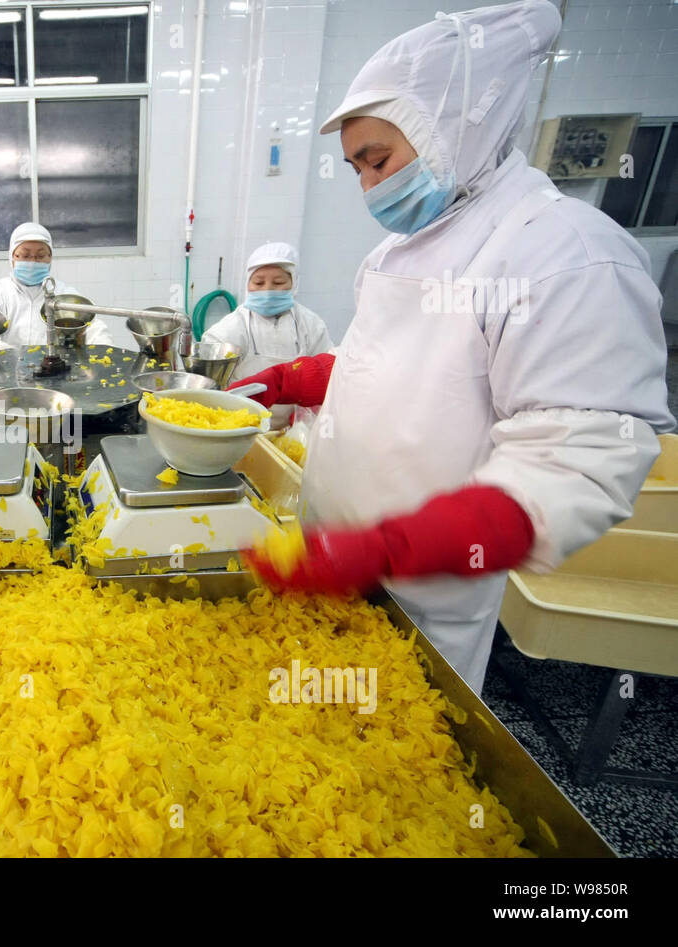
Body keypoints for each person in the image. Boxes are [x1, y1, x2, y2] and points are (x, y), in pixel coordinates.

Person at [236, 0, 675, 692]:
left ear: (454, 126)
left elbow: (577, 464)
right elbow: (391, 375)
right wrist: (288, 379)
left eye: (377, 160)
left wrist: (391, 546)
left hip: (422, 600)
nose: (369, 186)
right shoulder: (398, 250)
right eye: (355, 169)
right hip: (327, 565)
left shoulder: (565, 253)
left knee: (392, 775)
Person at [204, 241, 333, 426]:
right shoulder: (231, 327)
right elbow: (210, 379)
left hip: (293, 429)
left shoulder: (311, 325)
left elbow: (327, 375)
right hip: (241, 425)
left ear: (294, 283)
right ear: (248, 284)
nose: (267, 290)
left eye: (278, 282)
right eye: (258, 282)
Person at [0, 222, 115, 349]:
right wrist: (15, 356)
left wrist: (103, 350)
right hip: (9, 368)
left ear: (50, 258)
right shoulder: (0, 293)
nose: (33, 261)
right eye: (25, 255)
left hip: (56, 369)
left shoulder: (63, 293)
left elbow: (94, 329)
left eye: (40, 256)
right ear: (12, 257)